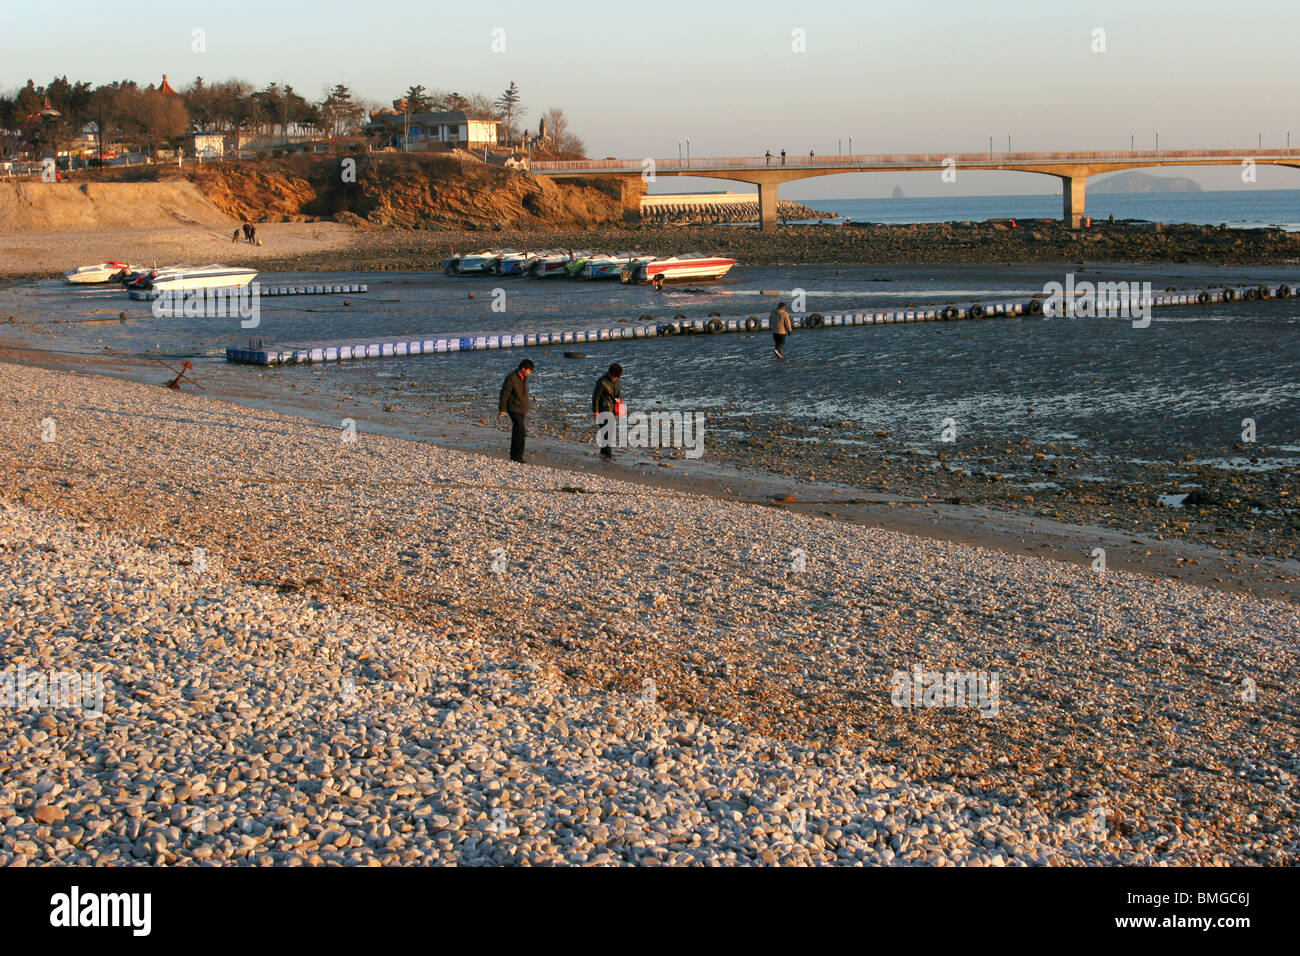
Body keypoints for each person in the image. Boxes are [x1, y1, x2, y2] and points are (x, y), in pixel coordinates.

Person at [498, 359, 533, 463]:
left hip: (522, 408)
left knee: (520, 432)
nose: (529, 372)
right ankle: (516, 456)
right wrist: (502, 409)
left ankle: (516, 455)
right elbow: (504, 394)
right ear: (523, 369)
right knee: (520, 430)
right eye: (529, 370)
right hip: (513, 408)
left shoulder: (524, 378)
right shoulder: (511, 378)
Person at [592, 363, 623, 459]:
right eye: (614, 376)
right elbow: (595, 397)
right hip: (603, 410)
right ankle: (608, 454)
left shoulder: (618, 381)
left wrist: (618, 400)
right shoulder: (601, 382)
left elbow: (618, 393)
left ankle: (604, 453)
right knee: (606, 433)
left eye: (617, 377)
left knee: (610, 432)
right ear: (609, 373)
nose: (615, 378)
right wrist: (596, 412)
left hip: (613, 410)